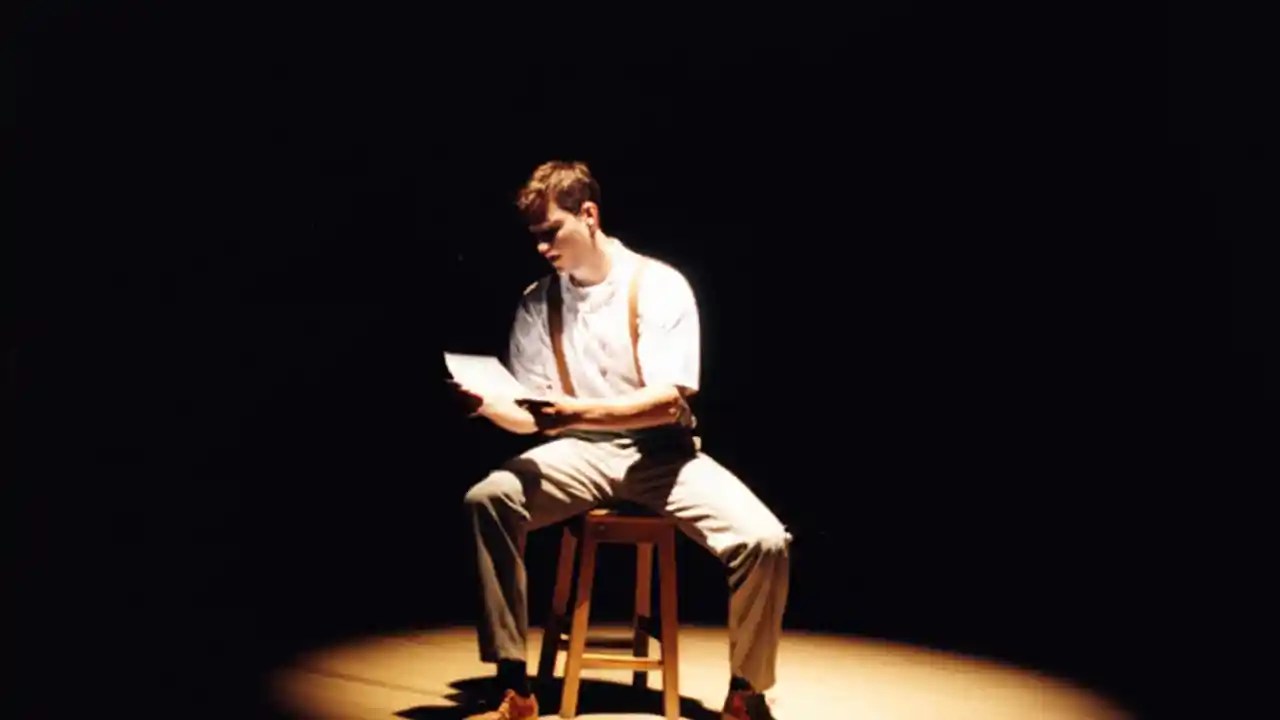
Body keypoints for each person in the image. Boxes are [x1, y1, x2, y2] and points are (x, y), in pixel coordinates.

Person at [453, 161, 791, 720]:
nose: (541, 247)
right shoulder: (538, 301)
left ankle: (746, 692)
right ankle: (515, 688)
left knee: (765, 541)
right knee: (488, 499)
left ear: (588, 215)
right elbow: (533, 419)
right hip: (579, 452)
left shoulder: (658, 285)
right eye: (534, 236)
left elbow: (667, 401)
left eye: (551, 231)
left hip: (662, 455)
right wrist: (487, 405)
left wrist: (574, 412)